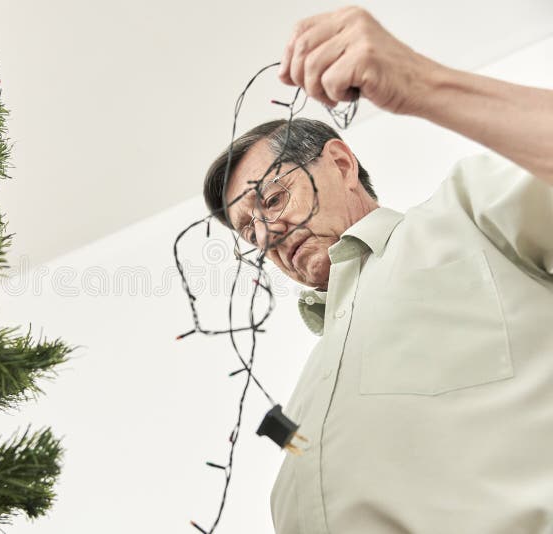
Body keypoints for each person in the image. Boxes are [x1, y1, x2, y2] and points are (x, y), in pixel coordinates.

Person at [203, 6, 553, 534]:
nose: (266, 237)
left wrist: (421, 82)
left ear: (341, 165)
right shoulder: (309, 388)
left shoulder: (467, 215)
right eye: (248, 232)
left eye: (273, 199)